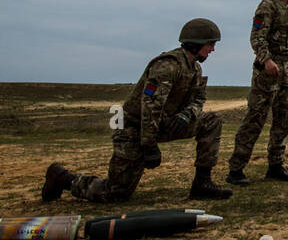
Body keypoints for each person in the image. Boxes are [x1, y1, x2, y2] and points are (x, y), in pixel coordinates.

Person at [42, 18, 233, 202]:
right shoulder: (166, 66)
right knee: (116, 193)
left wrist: (187, 114)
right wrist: (149, 145)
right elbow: (150, 106)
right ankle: (63, 178)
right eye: (210, 44)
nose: (213, 49)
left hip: (162, 125)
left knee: (212, 120)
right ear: (196, 43)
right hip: (134, 129)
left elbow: (199, 99)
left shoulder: (194, 70)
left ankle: (202, 183)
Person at [227, 0, 288, 185]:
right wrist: (266, 60)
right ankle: (236, 169)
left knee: (283, 119)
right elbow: (256, 37)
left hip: (285, 71)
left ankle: (275, 165)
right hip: (267, 71)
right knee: (255, 119)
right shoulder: (268, 6)